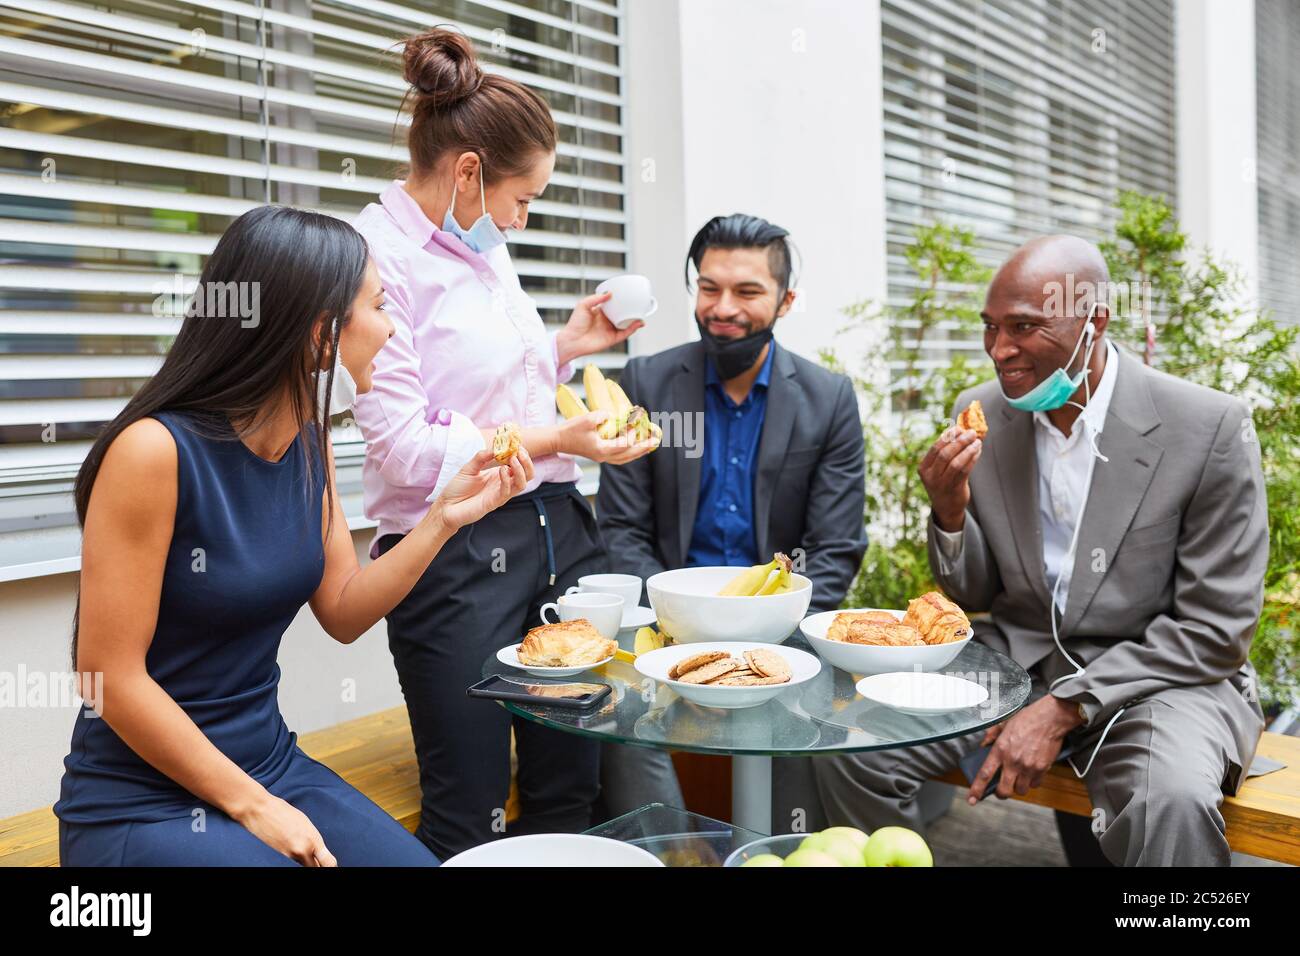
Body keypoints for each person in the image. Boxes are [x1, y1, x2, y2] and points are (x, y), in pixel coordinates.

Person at [54, 205, 533, 866]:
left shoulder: (310, 439)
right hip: (141, 798)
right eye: (380, 308)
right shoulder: (152, 454)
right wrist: (253, 806)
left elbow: (342, 609)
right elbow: (107, 674)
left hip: (270, 764)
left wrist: (444, 519)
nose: (393, 331)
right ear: (319, 334)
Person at [814, 235, 1268, 866]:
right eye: (991, 328)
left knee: (1172, 804)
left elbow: (1215, 630)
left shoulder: (1206, 427)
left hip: (1163, 681)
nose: (1001, 351)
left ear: (1095, 322)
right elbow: (973, 595)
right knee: (854, 745)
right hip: (1017, 662)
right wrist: (949, 510)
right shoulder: (983, 414)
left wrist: (1067, 704)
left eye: (1024, 327)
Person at [350, 28, 658, 858]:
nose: (523, 219)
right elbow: (409, 446)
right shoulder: (377, 259)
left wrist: (565, 346)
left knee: (570, 783)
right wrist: (562, 433)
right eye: (524, 199)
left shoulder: (480, 245)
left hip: (553, 528)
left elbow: (480, 388)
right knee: (470, 802)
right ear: (468, 174)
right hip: (451, 551)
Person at [596, 213, 868, 827]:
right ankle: (668, 851)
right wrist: (683, 635)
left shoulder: (828, 400)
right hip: (666, 632)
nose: (723, 308)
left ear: (785, 300)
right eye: (709, 287)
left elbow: (835, 548)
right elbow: (622, 530)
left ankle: (781, 850)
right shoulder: (646, 380)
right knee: (622, 735)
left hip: (782, 634)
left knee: (807, 742)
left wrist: (760, 643)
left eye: (747, 292)